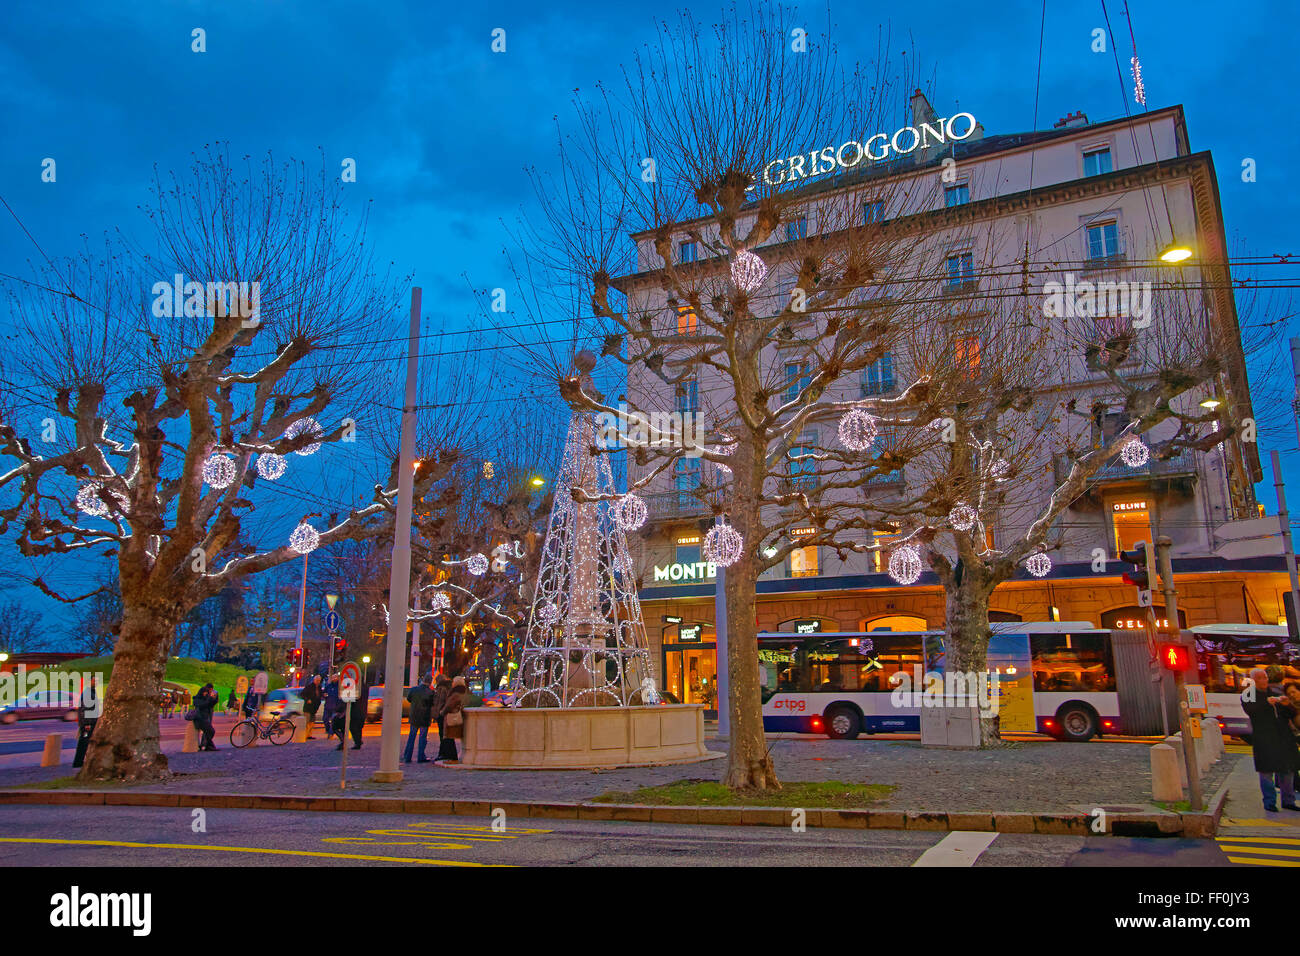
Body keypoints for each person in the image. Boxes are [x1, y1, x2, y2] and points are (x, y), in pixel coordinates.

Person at [1241, 667, 1300, 812]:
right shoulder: (1248, 695)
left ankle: (1289, 800)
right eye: (1259, 678)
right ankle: (1270, 802)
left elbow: (1290, 714)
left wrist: (1287, 705)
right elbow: (1252, 711)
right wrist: (1267, 703)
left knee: (1287, 770)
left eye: (1265, 677)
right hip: (1264, 739)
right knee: (1266, 772)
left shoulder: (1275, 694)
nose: (1263, 680)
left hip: (1284, 738)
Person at [434, 675, 467, 764]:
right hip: (455, 715)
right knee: (448, 736)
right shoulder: (463, 692)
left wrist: (441, 712)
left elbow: (448, 704)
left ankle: (451, 757)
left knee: (448, 736)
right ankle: (447, 755)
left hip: (451, 716)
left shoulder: (455, 693)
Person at [403, 674, 434, 763]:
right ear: (430, 682)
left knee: (411, 737)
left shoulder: (414, 690)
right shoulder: (430, 692)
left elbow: (409, 699)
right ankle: (421, 756)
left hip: (414, 715)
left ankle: (407, 756)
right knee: (422, 738)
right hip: (425, 716)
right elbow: (432, 704)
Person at [338, 677, 367, 751]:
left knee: (353, 728)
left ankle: (357, 742)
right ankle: (358, 742)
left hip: (355, 711)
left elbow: (352, 700)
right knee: (359, 728)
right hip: (362, 710)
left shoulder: (356, 688)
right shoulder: (364, 687)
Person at [193, 683, 219, 751]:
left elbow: (211, 704)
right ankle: (208, 746)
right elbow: (202, 705)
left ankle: (208, 745)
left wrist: (214, 698)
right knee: (210, 731)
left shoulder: (206, 697)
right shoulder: (197, 699)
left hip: (204, 718)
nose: (206, 693)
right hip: (200, 719)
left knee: (210, 731)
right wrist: (209, 698)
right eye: (205, 692)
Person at [299, 674, 323, 739]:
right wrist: (307, 699)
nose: (318, 681)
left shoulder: (319, 688)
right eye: (317, 680)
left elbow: (320, 696)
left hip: (314, 708)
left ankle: (309, 734)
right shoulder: (309, 687)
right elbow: (302, 694)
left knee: (312, 722)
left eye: (319, 680)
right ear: (314, 680)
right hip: (308, 707)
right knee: (307, 722)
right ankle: (305, 734)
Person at [429, 674, 451, 740]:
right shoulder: (449, 687)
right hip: (447, 713)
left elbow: (439, 701)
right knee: (447, 734)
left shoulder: (441, 688)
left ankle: (444, 749)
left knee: (442, 733)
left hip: (441, 714)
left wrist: (437, 713)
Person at [322, 673, 341, 741]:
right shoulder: (329, 686)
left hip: (336, 707)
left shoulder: (340, 686)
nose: (334, 679)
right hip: (328, 706)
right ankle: (328, 730)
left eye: (335, 677)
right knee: (325, 719)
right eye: (333, 678)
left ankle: (331, 734)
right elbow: (324, 693)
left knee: (333, 721)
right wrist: (324, 695)